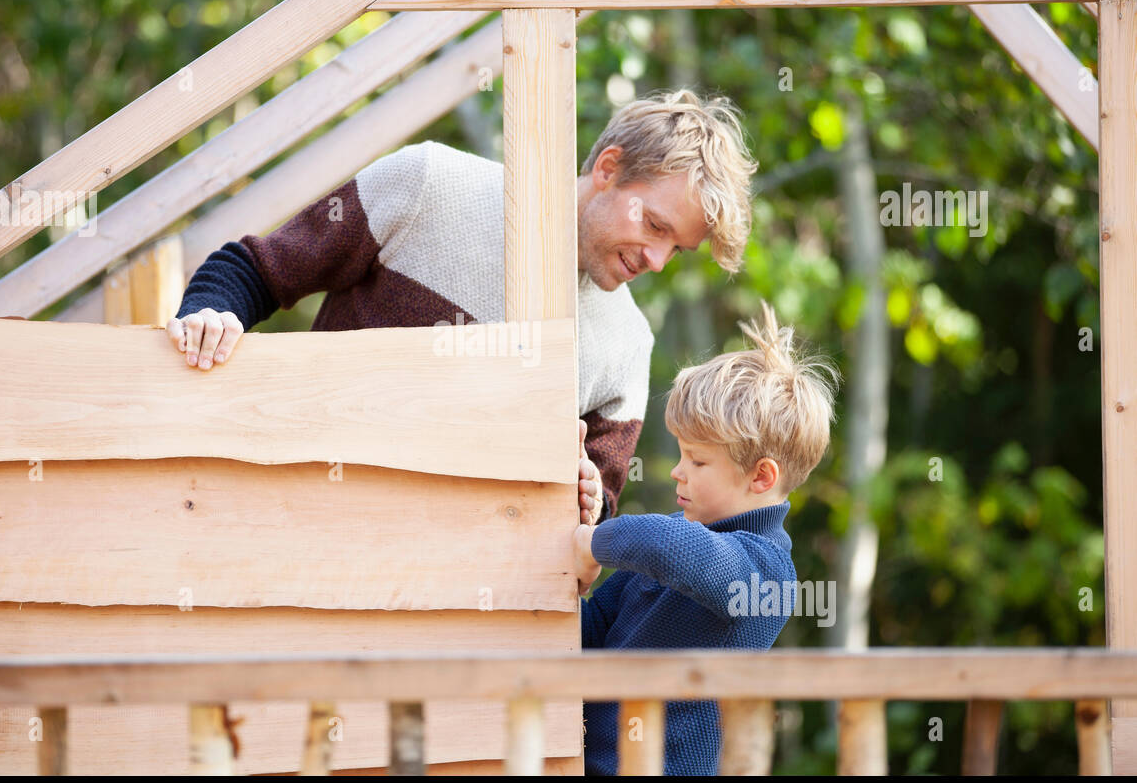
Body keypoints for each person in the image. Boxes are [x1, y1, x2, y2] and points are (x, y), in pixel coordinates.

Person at [168, 88, 758, 523]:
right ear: (608, 168)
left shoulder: (629, 343)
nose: (656, 260)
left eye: (675, 249)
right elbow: (255, 271)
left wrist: (584, 499)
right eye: (654, 225)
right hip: (299, 520)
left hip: (454, 618)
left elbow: (592, 520)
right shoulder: (430, 182)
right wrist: (211, 313)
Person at [572, 301, 840, 774]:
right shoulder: (673, 542)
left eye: (697, 461)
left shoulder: (768, 576)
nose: (678, 471)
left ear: (761, 477)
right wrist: (576, 581)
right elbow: (592, 632)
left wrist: (593, 542)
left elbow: (674, 552)